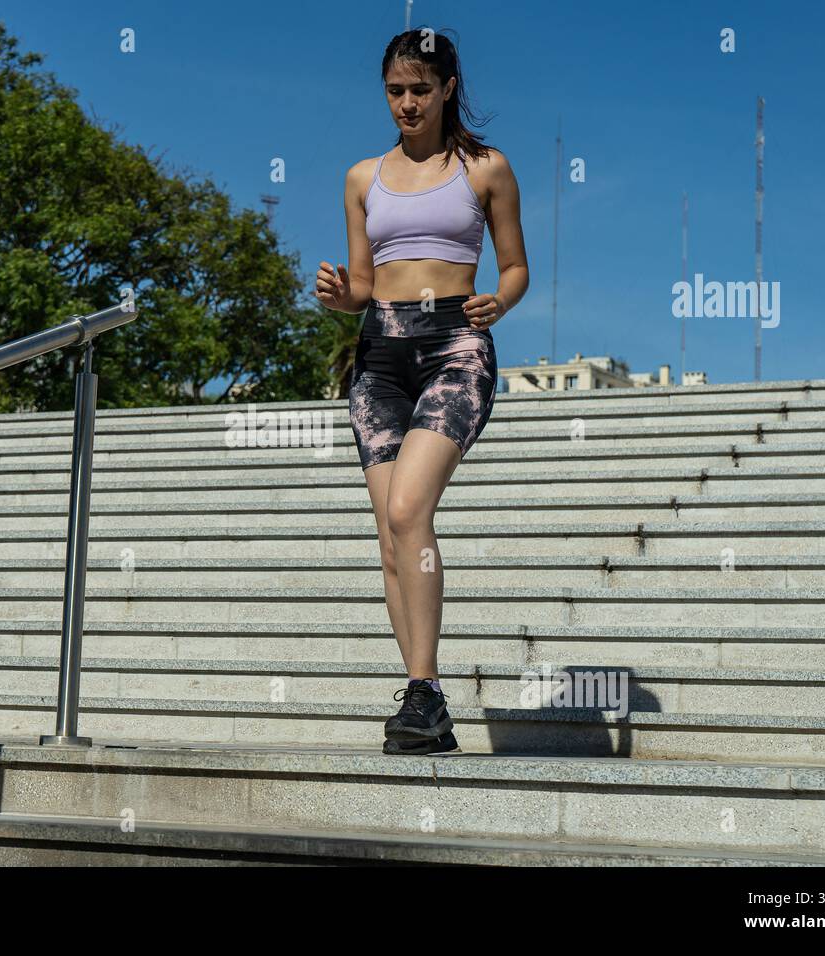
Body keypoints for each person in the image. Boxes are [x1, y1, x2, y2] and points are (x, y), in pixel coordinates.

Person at [314, 28, 529, 755]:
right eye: (395, 91)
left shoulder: (486, 168)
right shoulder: (360, 178)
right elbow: (364, 286)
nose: (406, 103)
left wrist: (499, 302)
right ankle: (421, 696)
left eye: (420, 90)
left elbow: (515, 268)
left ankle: (426, 692)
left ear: (447, 90)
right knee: (389, 537)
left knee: (410, 510)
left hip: (454, 346)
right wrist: (341, 296)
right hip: (378, 353)